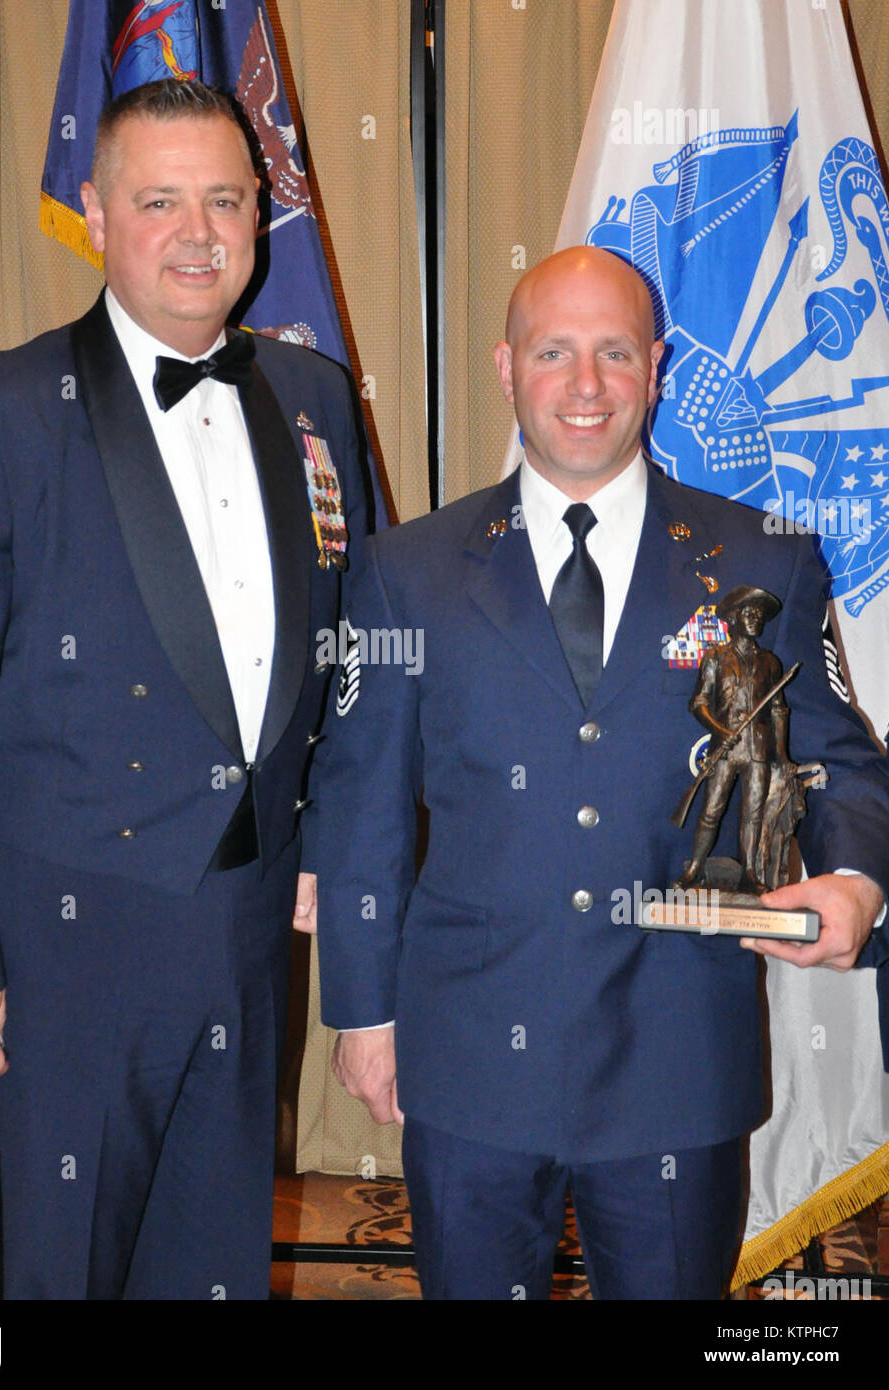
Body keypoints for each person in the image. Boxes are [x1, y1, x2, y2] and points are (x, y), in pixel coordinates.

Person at [0, 79, 373, 1300]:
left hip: (251, 920)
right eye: (159, 201)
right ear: (94, 212)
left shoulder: (309, 398)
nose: (198, 233)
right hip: (69, 939)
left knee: (213, 1259)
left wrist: (322, 840)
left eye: (225, 201)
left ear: (261, 217)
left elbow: (336, 648)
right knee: (72, 1262)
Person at [310, 247, 889, 1300]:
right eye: (554, 353)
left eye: (615, 353)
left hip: (675, 1054)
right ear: (505, 368)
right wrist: (361, 1009)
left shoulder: (760, 556)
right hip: (471, 1049)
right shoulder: (410, 571)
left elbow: (838, 752)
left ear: (657, 367)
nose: (585, 387)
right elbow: (362, 802)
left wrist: (855, 879)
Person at [675, 585, 790, 894]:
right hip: (725, 751)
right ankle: (696, 868)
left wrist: (781, 756)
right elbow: (698, 702)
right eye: (749, 613)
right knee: (711, 810)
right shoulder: (715, 657)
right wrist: (720, 730)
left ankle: (749, 873)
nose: (756, 619)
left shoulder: (771, 663)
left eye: (760, 615)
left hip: (757, 751)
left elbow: (778, 711)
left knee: (754, 813)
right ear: (733, 619)